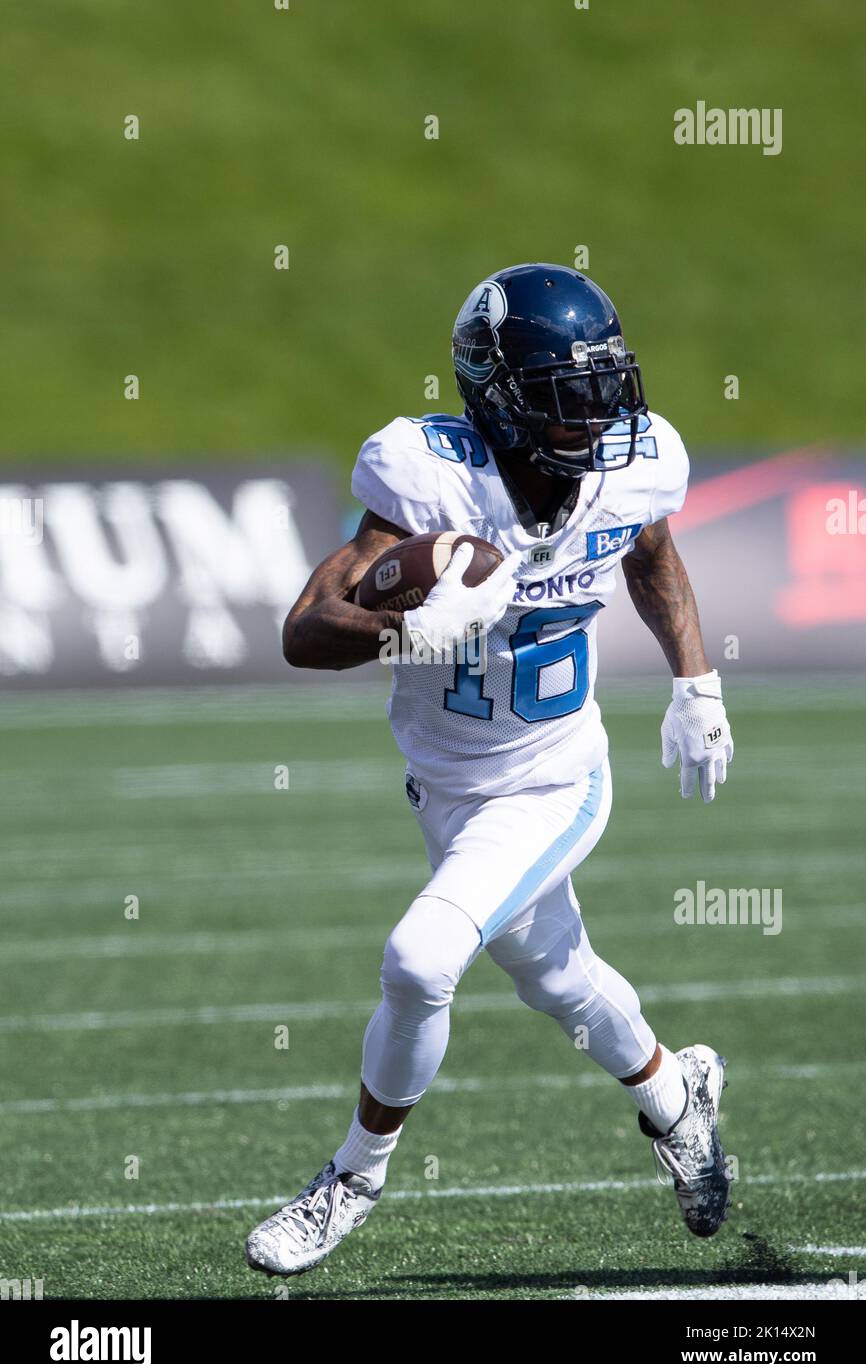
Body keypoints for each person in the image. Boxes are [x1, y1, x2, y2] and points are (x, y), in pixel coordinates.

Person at [245, 263, 734, 1278]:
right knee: (557, 977)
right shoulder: (427, 478)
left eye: (606, 384)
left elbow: (649, 558)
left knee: (421, 957)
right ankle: (675, 1097)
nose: (597, 412)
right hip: (446, 782)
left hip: (553, 779)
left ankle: (351, 1177)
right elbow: (305, 630)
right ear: (498, 394)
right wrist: (403, 632)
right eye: (568, 392)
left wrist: (696, 684)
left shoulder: (634, 464)